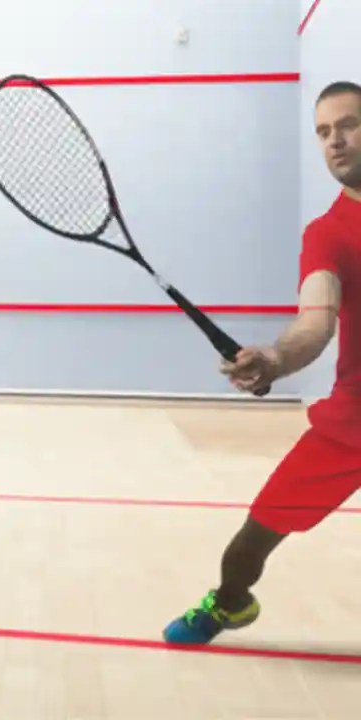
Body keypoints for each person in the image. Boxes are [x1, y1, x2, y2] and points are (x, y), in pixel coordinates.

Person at [163, 80, 361, 644]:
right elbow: (316, 322)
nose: (334, 141)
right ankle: (229, 604)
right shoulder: (327, 235)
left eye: (347, 124)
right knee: (249, 544)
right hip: (354, 422)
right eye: (323, 132)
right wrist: (274, 358)